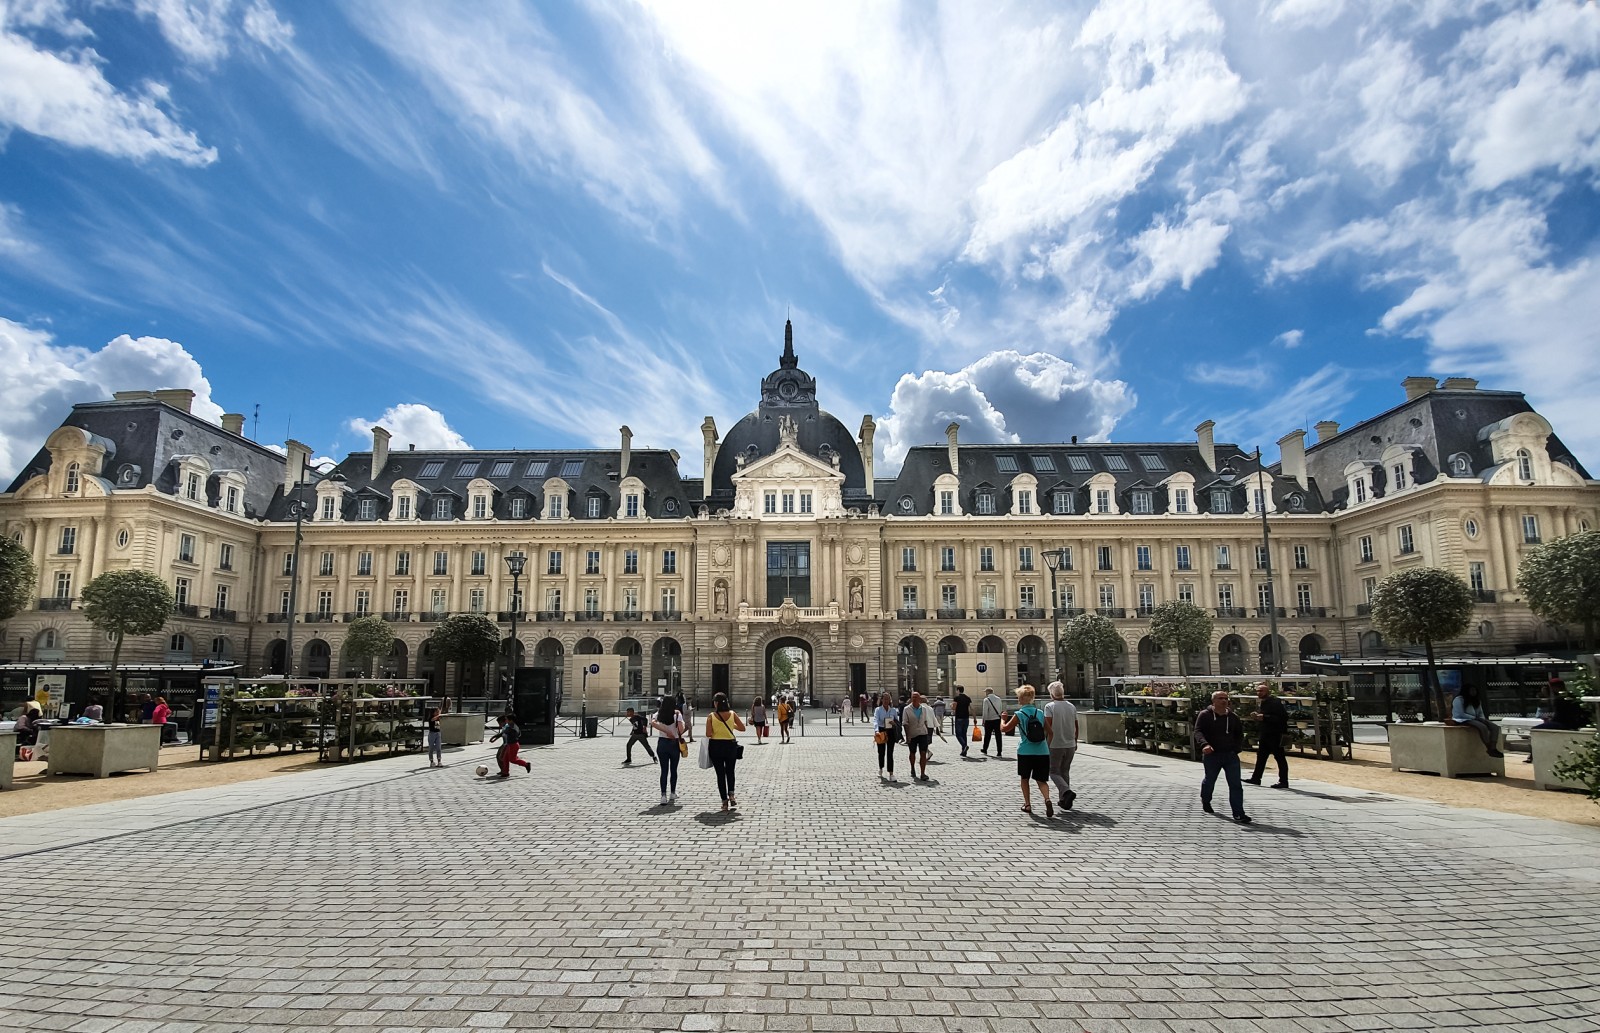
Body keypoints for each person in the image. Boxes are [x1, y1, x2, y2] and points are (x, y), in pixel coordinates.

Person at [1195, 691, 1251, 824]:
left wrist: (1236, 749)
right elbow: (1198, 731)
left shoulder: (1233, 717)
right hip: (1212, 754)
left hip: (1230, 755)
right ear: (1213, 701)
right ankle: (1206, 799)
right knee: (1210, 780)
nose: (1224, 701)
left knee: (1235, 784)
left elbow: (1239, 734)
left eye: (1226, 698)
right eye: (1220, 698)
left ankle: (1238, 813)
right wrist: (1204, 744)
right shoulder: (1205, 715)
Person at [1000, 685, 1053, 816]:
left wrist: (1002, 719)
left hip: (1025, 751)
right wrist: (1046, 746)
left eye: (1018, 697)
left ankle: (1027, 804)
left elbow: (1004, 729)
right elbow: (1051, 732)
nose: (1018, 699)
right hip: (1042, 751)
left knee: (1025, 778)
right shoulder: (1039, 713)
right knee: (1041, 780)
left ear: (1022, 698)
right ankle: (1047, 799)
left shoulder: (1019, 714)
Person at [706, 693, 747, 811]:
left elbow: (708, 734)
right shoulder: (732, 714)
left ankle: (724, 801)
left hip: (716, 746)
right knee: (730, 771)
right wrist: (731, 725)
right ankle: (732, 795)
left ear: (716, 703)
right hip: (730, 746)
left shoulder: (711, 716)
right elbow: (743, 728)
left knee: (720, 774)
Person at [1245, 681, 1289, 788]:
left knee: (1279, 757)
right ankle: (1256, 778)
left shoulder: (1275, 702)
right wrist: (1257, 716)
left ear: (1267, 692)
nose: (1259, 693)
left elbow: (1282, 718)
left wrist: (1265, 717)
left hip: (1275, 734)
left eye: (1261, 691)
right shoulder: (1263, 703)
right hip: (1265, 734)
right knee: (1261, 757)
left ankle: (1283, 781)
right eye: (1258, 691)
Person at [1043, 681, 1078, 810]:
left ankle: (1066, 792)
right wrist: (1075, 740)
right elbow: (1076, 725)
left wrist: (1045, 742)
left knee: (1053, 771)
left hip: (1055, 743)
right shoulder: (1071, 706)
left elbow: (1047, 726)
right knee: (1065, 771)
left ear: (1051, 694)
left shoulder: (1049, 707)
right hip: (1070, 743)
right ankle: (1064, 800)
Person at [1450, 685, 1504, 757]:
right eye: (1471, 690)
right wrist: (1474, 718)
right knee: (1482, 727)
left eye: (1475, 690)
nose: (1473, 692)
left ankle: (1493, 747)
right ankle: (1489, 747)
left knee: (1494, 727)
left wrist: (1482, 719)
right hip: (1463, 719)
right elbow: (1460, 714)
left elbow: (1480, 712)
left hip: (1477, 718)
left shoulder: (1476, 700)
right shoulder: (1459, 700)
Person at [652, 696, 686, 805]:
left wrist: (666, 731)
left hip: (662, 743)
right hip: (674, 743)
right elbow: (681, 730)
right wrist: (679, 724)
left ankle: (663, 795)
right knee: (673, 770)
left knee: (664, 770)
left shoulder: (658, 714)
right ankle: (672, 793)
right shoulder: (677, 714)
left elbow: (653, 723)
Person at [901, 691, 942, 781]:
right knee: (912, 752)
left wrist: (928, 733)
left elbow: (926, 721)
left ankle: (923, 773)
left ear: (919, 699)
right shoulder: (907, 709)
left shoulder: (924, 709)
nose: (915, 699)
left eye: (916, 697)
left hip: (923, 733)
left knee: (923, 753)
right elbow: (905, 723)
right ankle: (912, 767)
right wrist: (907, 736)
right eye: (913, 697)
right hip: (912, 733)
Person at [489, 713, 531, 778]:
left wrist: (495, 737)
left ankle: (526, 764)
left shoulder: (511, 728)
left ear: (510, 720)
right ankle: (505, 773)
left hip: (513, 745)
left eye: (506, 719)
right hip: (509, 745)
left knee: (512, 759)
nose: (505, 720)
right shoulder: (511, 726)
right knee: (505, 758)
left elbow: (504, 733)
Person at [872, 692, 901, 780]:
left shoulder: (893, 710)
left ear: (890, 700)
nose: (886, 701)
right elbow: (876, 720)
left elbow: (897, 721)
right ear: (882, 700)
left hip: (890, 731)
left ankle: (891, 773)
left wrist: (894, 723)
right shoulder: (878, 710)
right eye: (884, 699)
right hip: (881, 731)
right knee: (881, 752)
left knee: (890, 752)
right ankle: (881, 767)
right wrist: (876, 730)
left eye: (888, 699)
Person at [980, 688, 1005, 757]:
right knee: (998, 736)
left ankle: (985, 749)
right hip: (997, 719)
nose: (985, 693)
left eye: (986, 692)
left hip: (989, 720)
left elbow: (985, 711)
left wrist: (984, 720)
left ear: (988, 692)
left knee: (987, 735)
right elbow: (1000, 708)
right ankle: (999, 751)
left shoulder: (986, 700)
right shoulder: (998, 699)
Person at [952, 685, 973, 758]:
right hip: (966, 717)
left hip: (959, 717)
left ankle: (964, 745)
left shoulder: (956, 698)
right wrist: (974, 718)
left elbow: (954, 707)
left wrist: (951, 706)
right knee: (964, 734)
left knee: (958, 734)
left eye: (956, 690)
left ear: (958, 690)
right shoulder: (967, 698)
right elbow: (971, 708)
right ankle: (964, 751)